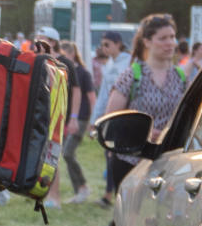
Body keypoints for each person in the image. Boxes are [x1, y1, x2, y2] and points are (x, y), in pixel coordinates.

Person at [104, 14, 187, 199]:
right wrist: (144, 132)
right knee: (133, 222)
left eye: (172, 37)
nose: (170, 43)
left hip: (169, 161)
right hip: (131, 161)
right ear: (147, 42)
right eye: (163, 38)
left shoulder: (180, 78)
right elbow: (110, 120)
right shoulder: (132, 76)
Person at [32, 27, 80, 209]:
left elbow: (77, 91)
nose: (36, 41)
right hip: (43, 116)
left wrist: (74, 117)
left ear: (52, 42)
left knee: (52, 156)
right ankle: (43, 194)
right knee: (42, 155)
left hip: (61, 118)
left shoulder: (65, 62)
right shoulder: (40, 60)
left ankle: (55, 198)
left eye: (41, 38)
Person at [90, 31, 132, 209]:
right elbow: (103, 97)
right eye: (102, 45)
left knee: (118, 157)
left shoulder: (129, 63)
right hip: (111, 115)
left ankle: (118, 196)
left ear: (118, 44)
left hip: (124, 117)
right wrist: (95, 119)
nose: (104, 49)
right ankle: (110, 196)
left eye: (107, 45)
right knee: (110, 156)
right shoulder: (110, 65)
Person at [58, 42, 94, 204]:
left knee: (67, 153)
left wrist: (93, 122)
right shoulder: (62, 71)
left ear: (72, 54)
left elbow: (92, 97)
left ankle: (83, 187)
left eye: (65, 55)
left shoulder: (83, 73)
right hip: (66, 119)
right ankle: (79, 190)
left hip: (80, 118)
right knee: (67, 154)